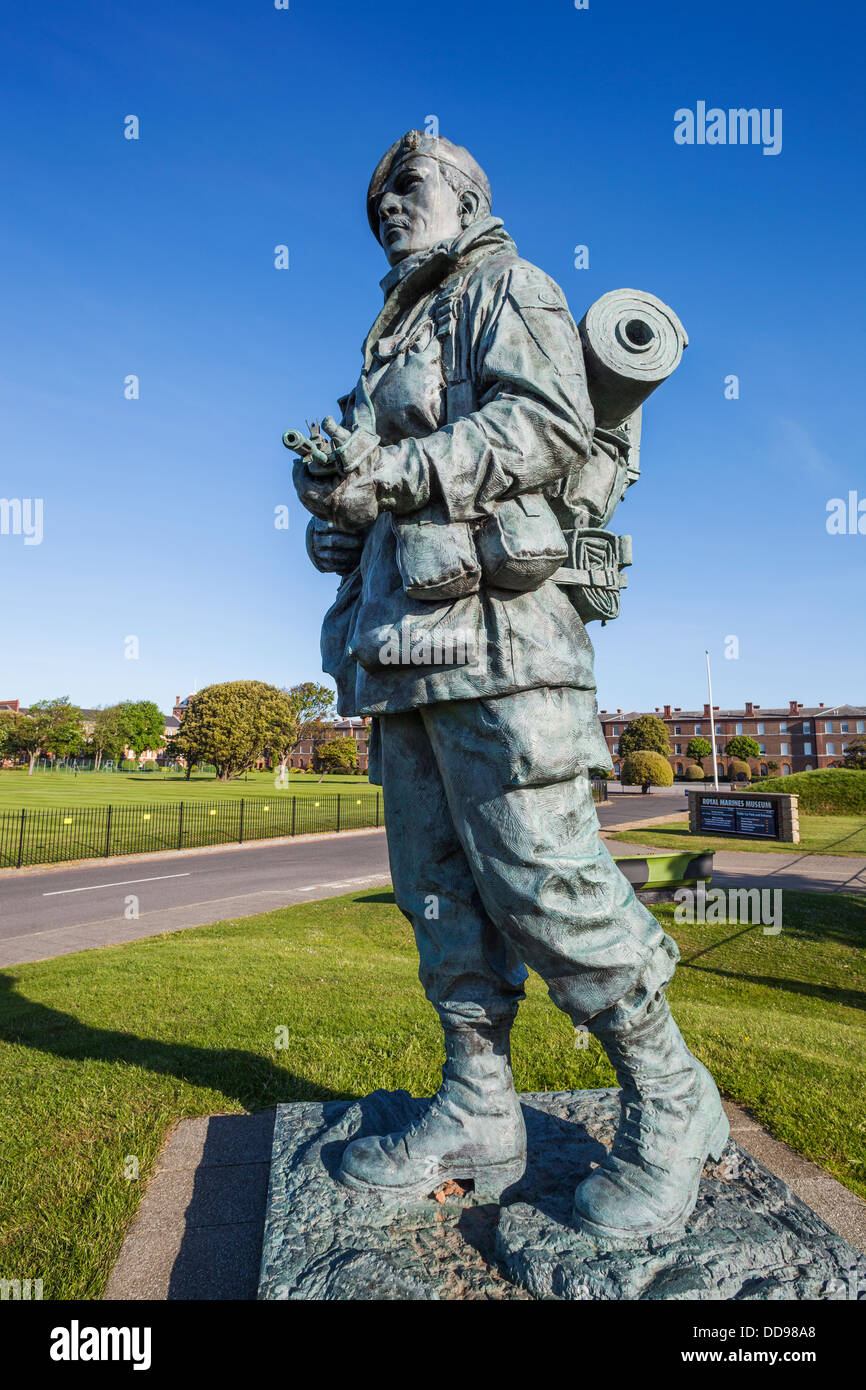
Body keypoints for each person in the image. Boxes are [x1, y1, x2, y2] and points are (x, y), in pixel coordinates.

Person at [291, 130, 727, 1242]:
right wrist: (340, 502)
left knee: (545, 879)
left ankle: (672, 1102)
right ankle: (478, 1109)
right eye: (377, 196)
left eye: (410, 185)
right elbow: (383, 496)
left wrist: (396, 468)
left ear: (466, 195)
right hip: (402, 657)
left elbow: (543, 424)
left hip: (502, 645)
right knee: (438, 894)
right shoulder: (394, 333)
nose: (388, 204)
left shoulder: (506, 286)